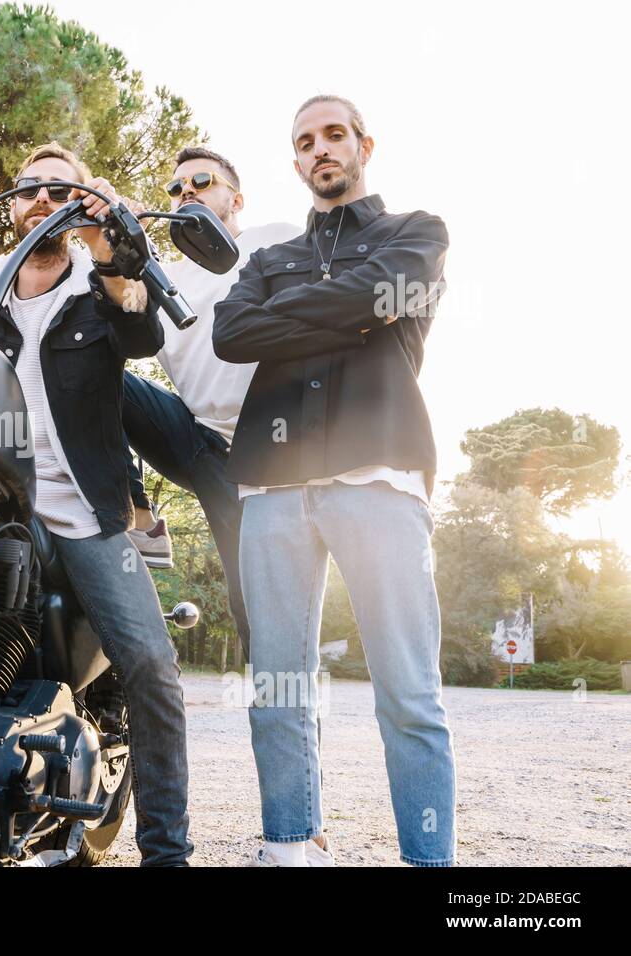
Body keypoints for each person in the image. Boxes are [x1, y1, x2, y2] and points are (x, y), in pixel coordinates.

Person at [212, 95, 455, 867]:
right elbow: (230, 333)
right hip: (272, 485)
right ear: (295, 161)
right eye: (305, 141)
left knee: (408, 694)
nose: (321, 149)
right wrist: (352, 314)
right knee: (277, 690)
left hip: (380, 478)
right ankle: (289, 847)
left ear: (363, 145)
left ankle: (429, 863)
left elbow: (378, 292)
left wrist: (304, 312)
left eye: (334, 135)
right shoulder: (265, 260)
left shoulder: (417, 233)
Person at [0, 142, 192, 866]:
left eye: (62, 191)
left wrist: (114, 247)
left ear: (81, 205)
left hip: (84, 513)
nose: (41, 201)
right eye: (29, 189)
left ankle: (167, 851)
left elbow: (142, 326)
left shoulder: (97, 288)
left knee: (152, 666)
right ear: (12, 202)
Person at [121, 146, 298, 671]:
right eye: (175, 188)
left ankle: (285, 731)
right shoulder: (160, 276)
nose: (185, 192)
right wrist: (108, 234)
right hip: (197, 439)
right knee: (96, 370)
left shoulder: (277, 238)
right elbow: (111, 318)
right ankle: (137, 513)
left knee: (258, 606)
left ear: (236, 198)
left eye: (201, 180)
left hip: (271, 450)